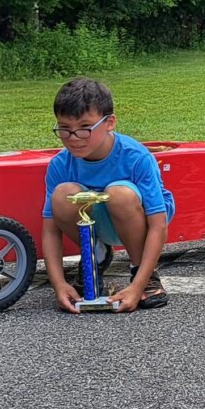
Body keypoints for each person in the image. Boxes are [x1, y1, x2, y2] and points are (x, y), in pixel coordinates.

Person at [40, 77, 174, 313]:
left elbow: (158, 224)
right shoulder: (60, 165)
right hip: (99, 220)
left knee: (119, 194)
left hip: (138, 218)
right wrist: (58, 284)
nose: (73, 138)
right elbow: (50, 229)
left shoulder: (136, 156)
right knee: (62, 194)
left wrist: (137, 286)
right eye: (64, 129)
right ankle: (95, 254)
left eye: (84, 128)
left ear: (110, 122)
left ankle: (144, 273)